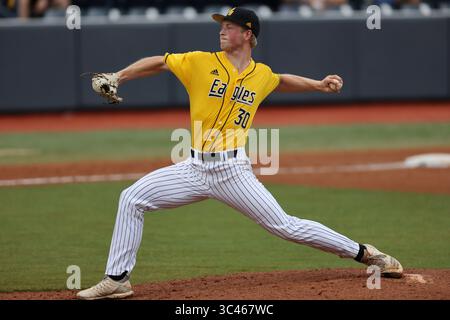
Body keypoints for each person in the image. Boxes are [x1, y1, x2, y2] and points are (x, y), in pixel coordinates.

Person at [77, 7, 403, 300]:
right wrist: (119, 75)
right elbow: (160, 62)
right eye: (222, 25)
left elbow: (280, 81)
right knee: (131, 198)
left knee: (286, 226)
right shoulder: (200, 61)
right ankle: (117, 279)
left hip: (233, 172)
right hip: (192, 168)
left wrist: (318, 85)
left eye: (230, 26)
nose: (222, 30)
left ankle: (366, 253)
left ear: (248, 34)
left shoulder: (260, 74)